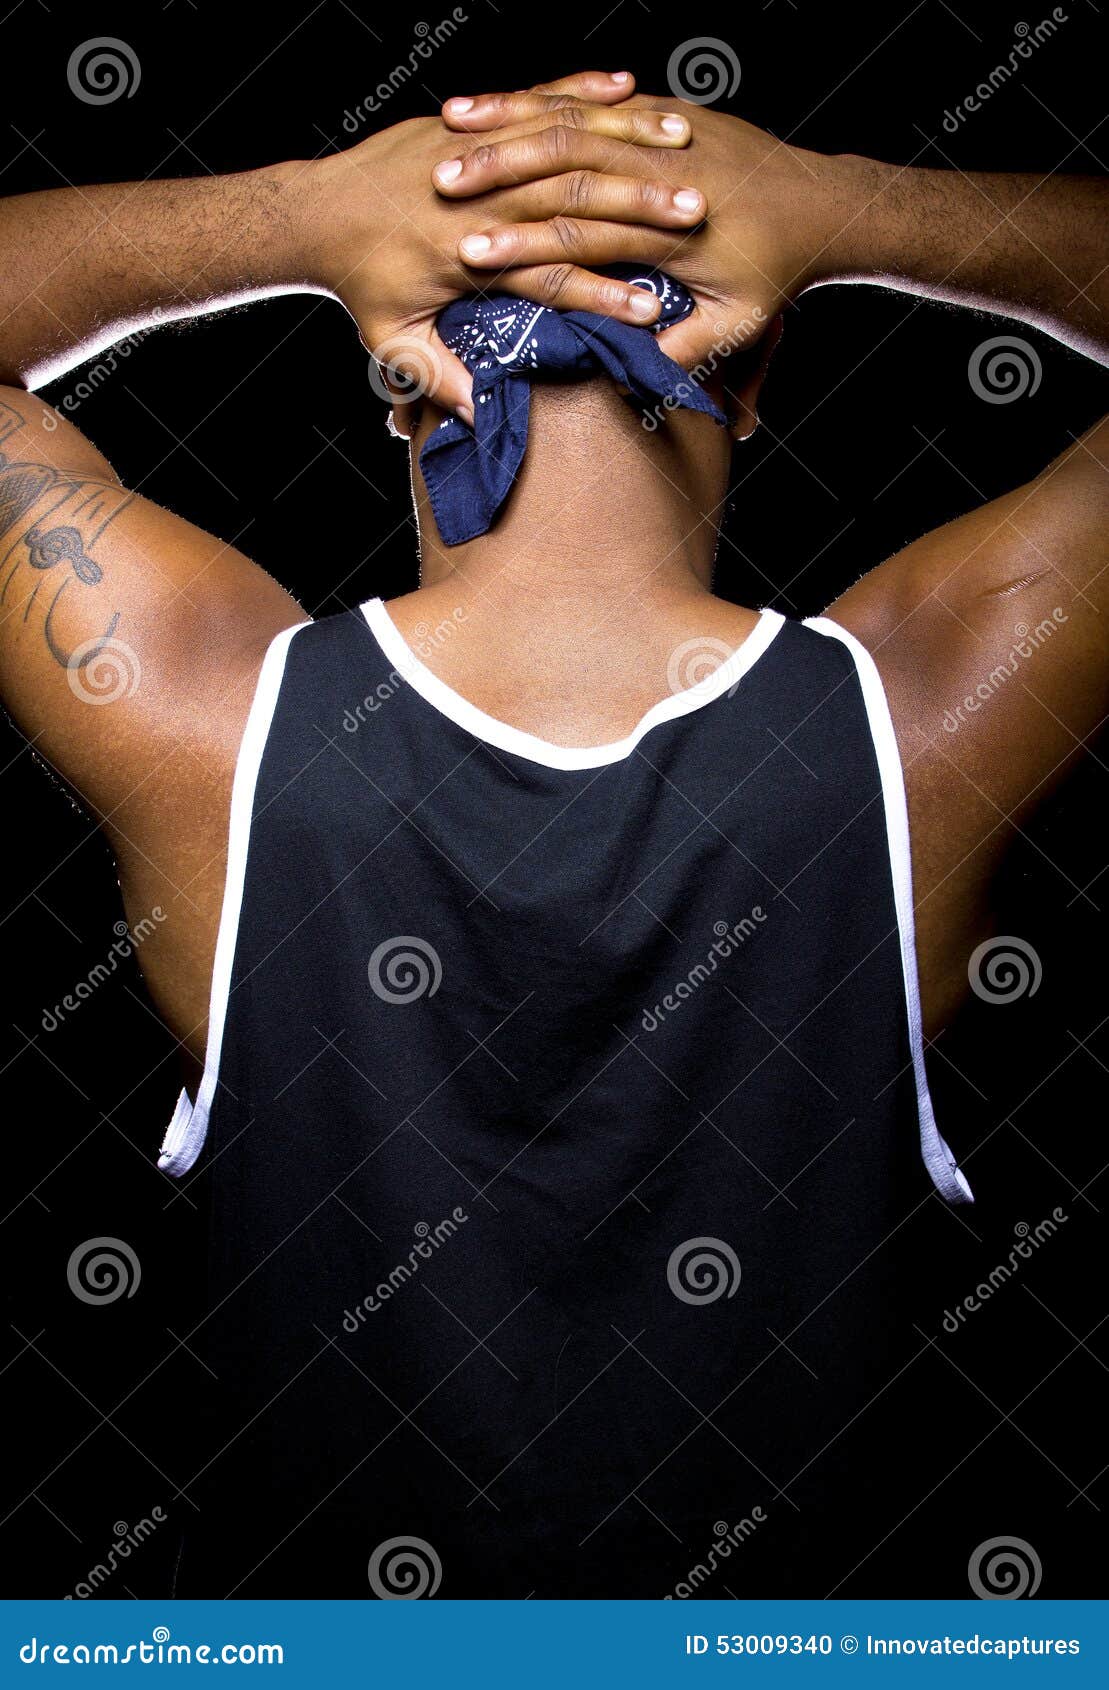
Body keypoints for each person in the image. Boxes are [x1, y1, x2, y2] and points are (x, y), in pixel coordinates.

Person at [0, 69, 1104, 1596]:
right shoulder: (912, 720)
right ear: (757, 364)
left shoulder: (210, 716)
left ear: (400, 377)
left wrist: (306, 217)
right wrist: (853, 205)